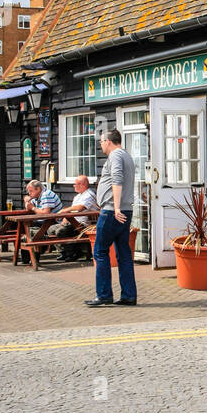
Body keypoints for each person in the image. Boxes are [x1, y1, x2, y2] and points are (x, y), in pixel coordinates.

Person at [87, 129, 137, 307]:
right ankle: (129, 295)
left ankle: (104, 295)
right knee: (123, 253)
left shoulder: (116, 156)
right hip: (125, 210)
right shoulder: (127, 156)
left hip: (112, 211)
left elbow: (117, 180)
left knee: (100, 251)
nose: (100, 145)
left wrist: (115, 208)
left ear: (108, 141)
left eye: (101, 142)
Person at [48, 174, 99, 260]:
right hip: (73, 222)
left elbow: (80, 208)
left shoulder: (89, 195)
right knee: (51, 229)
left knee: (61, 231)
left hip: (83, 225)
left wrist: (64, 211)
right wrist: (65, 218)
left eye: (75, 184)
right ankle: (63, 252)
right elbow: (72, 211)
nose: (73, 186)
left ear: (82, 185)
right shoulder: (78, 196)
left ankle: (73, 253)